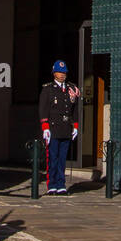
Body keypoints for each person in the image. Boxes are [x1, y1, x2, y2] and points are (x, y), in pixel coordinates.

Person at [39, 60, 79, 195]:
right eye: (59, 72)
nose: (62, 75)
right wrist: (45, 127)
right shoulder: (48, 89)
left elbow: (74, 109)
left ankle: (61, 185)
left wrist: (76, 126)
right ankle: (52, 185)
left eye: (64, 72)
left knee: (62, 159)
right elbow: (43, 109)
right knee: (52, 158)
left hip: (66, 128)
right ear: (54, 73)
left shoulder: (71, 89)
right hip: (53, 128)